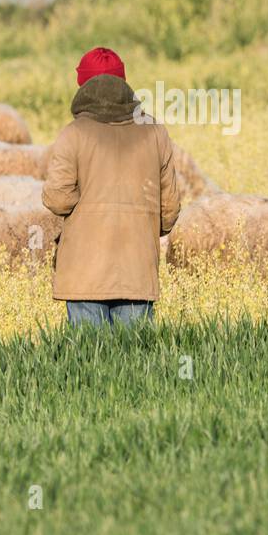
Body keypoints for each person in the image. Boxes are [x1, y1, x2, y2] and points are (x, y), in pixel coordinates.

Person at [42, 47, 180, 327]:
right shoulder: (155, 132)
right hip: (137, 270)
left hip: (84, 271)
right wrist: (146, 228)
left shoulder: (74, 134)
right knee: (137, 361)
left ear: (84, 85)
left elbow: (58, 200)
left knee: (89, 362)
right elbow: (170, 207)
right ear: (124, 83)